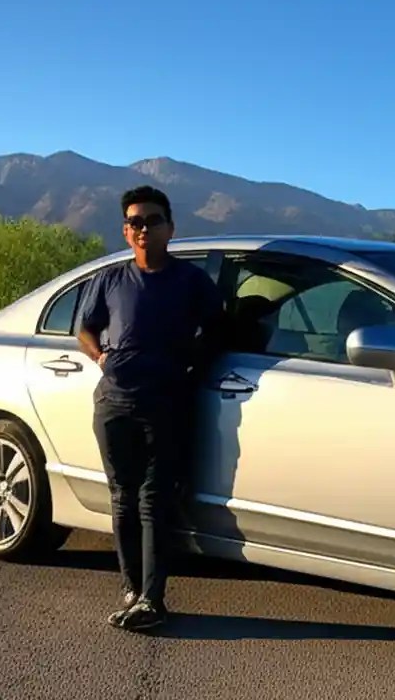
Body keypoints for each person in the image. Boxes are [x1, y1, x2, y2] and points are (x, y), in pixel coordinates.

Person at [76, 185, 225, 631]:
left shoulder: (191, 281)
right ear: (126, 231)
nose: (144, 229)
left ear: (170, 228)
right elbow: (84, 328)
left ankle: (153, 599)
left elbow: (218, 331)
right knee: (121, 496)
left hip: (167, 402)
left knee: (153, 500)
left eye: (153, 221)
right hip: (113, 402)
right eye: (135, 222)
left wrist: (189, 369)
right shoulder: (111, 280)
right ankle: (130, 589)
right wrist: (101, 357)